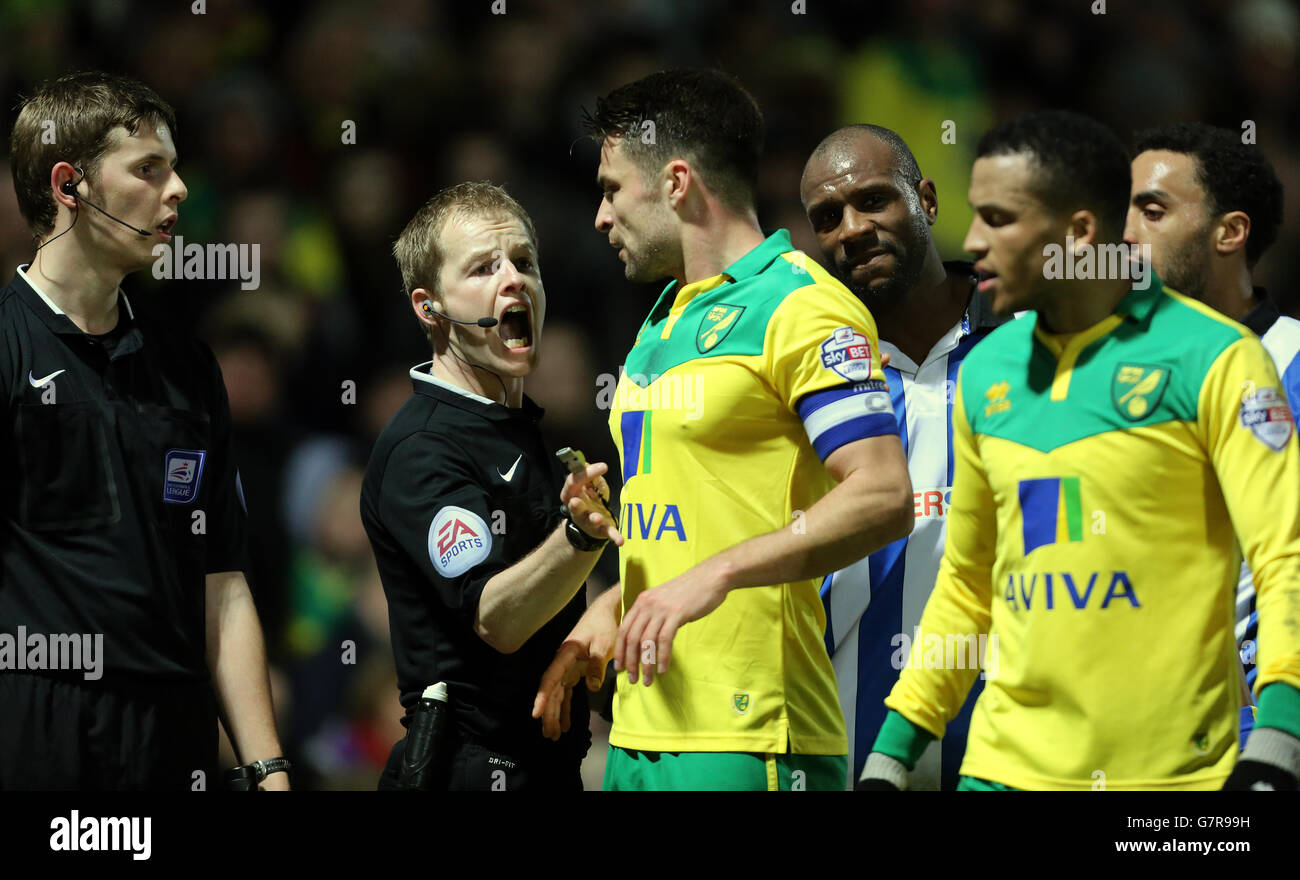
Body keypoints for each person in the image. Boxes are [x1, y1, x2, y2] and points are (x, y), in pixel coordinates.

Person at [857, 110, 1300, 791]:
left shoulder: (1217, 358)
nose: (972, 240)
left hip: (1168, 782)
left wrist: (1278, 736)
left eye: (999, 219)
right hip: (1000, 770)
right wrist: (893, 751)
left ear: (1080, 233)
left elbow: (1284, 554)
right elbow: (969, 582)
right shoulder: (989, 369)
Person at [534, 69, 914, 791]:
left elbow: (883, 494)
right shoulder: (661, 322)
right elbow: (701, 517)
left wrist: (719, 573)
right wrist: (613, 608)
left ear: (676, 182)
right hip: (638, 731)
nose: (600, 217)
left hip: (752, 736)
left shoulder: (801, 308)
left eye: (612, 189)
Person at [0, 71, 285, 790]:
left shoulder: (187, 366)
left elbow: (223, 582)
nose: (180, 188)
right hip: (35, 723)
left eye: (175, 166)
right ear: (71, 185)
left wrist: (268, 768)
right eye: (149, 169)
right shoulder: (4, 346)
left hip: (172, 731)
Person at [364, 181, 621, 791]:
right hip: (468, 771)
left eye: (525, 263)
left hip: (552, 766)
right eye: (484, 267)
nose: (515, 281)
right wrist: (580, 537)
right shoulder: (421, 448)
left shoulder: (524, 429)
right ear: (429, 309)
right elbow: (498, 619)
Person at [800, 124, 1003, 789]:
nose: (851, 229)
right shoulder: (809, 377)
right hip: (841, 760)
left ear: (928, 201)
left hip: (1005, 760)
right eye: (827, 218)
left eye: (873, 201)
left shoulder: (1028, 350)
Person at [1124, 122, 1297, 748]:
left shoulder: (1295, 361)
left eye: (1152, 210)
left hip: (1258, 731)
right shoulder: (1095, 374)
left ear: (1230, 232)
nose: (1125, 233)